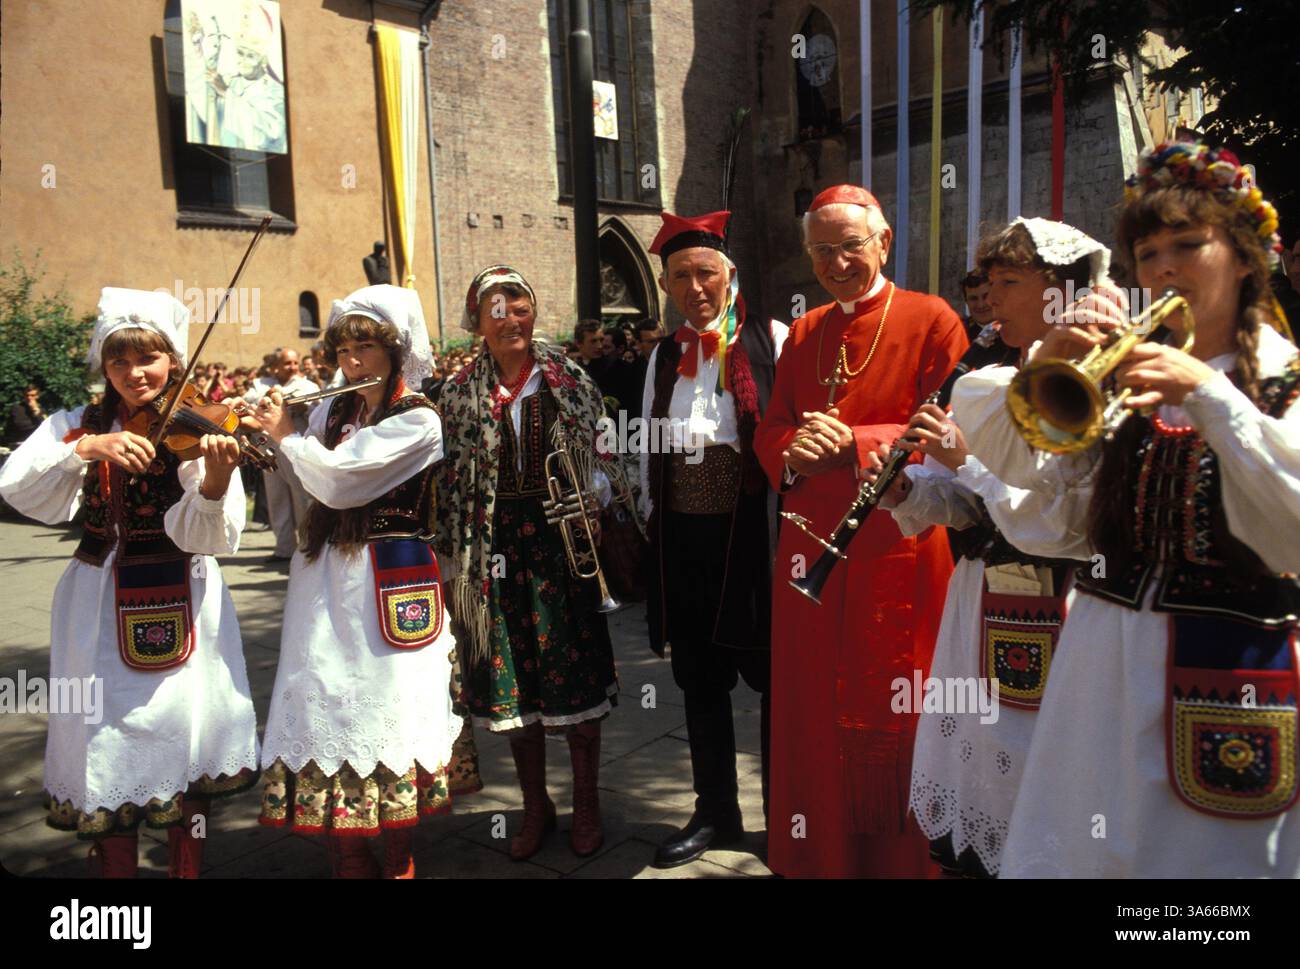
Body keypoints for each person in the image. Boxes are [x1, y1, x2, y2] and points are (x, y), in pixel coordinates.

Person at [953, 141, 1300, 876]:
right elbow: (1057, 523)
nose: (1163, 267)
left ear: (1242, 257)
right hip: (1101, 663)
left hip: (1227, 669)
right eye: (1146, 252)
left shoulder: (1281, 375)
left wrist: (1207, 397)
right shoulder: (1128, 371)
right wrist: (1054, 356)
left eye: (1186, 244)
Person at [873, 218, 1107, 877]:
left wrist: (967, 461)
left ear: (1061, 291)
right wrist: (904, 492)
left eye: (1009, 282)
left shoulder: (1091, 382)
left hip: (1061, 607)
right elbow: (970, 505)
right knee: (978, 779)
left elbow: (1064, 524)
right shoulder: (991, 376)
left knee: (1044, 782)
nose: (991, 297)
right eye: (989, 282)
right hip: (981, 603)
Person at [0, 288, 260, 878]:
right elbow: (17, 484)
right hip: (93, 598)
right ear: (104, 364)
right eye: (120, 361)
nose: (135, 373)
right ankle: (116, 880)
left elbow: (213, 538)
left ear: (173, 358)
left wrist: (216, 481)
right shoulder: (78, 422)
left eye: (149, 358)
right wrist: (85, 450)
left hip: (181, 589)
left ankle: (184, 869)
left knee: (185, 732)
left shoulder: (200, 424)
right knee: (101, 737)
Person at [752, 184, 967, 877]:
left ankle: (901, 863)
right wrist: (791, 448)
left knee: (900, 713)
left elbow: (952, 436)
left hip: (897, 545)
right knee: (812, 712)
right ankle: (820, 856)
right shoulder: (807, 330)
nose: (837, 262)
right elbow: (772, 426)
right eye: (821, 250)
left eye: (850, 245)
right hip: (808, 551)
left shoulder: (934, 320)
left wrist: (853, 443)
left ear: (883, 241)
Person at [253, 285, 461, 879]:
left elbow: (343, 479)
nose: (351, 362)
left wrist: (288, 435)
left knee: (389, 703)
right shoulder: (331, 410)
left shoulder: (419, 419)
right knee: (325, 697)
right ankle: (347, 853)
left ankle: (399, 855)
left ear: (396, 352)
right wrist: (264, 431)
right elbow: (302, 473)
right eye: (344, 349)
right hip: (324, 579)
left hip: (389, 578)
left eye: (366, 347)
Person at [436, 265, 629, 860]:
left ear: (533, 311)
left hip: (562, 545)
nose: (508, 318)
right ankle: (535, 805)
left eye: (518, 304)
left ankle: (587, 804)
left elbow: (603, 451)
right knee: (514, 683)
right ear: (477, 323)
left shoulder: (570, 380)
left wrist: (593, 497)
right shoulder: (458, 395)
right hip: (492, 549)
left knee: (574, 678)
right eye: (494, 308)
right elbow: (448, 481)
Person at [639, 211, 776, 867]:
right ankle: (716, 811)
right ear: (666, 285)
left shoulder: (770, 339)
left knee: (774, 679)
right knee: (699, 681)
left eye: (706, 273)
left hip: (754, 534)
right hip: (684, 534)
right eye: (681, 276)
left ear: (730, 276)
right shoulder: (664, 355)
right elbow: (650, 445)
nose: (695, 287)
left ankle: (789, 813)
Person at [243, 347, 318, 560]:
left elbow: (317, 412)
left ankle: (307, 545)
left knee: (302, 497)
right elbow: (248, 407)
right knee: (276, 498)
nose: (292, 367)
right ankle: (284, 547)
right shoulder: (260, 385)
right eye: (287, 363)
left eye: (295, 363)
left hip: (295, 444)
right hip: (268, 448)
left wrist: (305, 408)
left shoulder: (306, 386)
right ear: (275, 366)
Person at [957, 269, 1013, 370]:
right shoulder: (959, 334)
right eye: (973, 298)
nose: (981, 305)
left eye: (985, 296)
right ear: (966, 302)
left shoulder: (1016, 330)